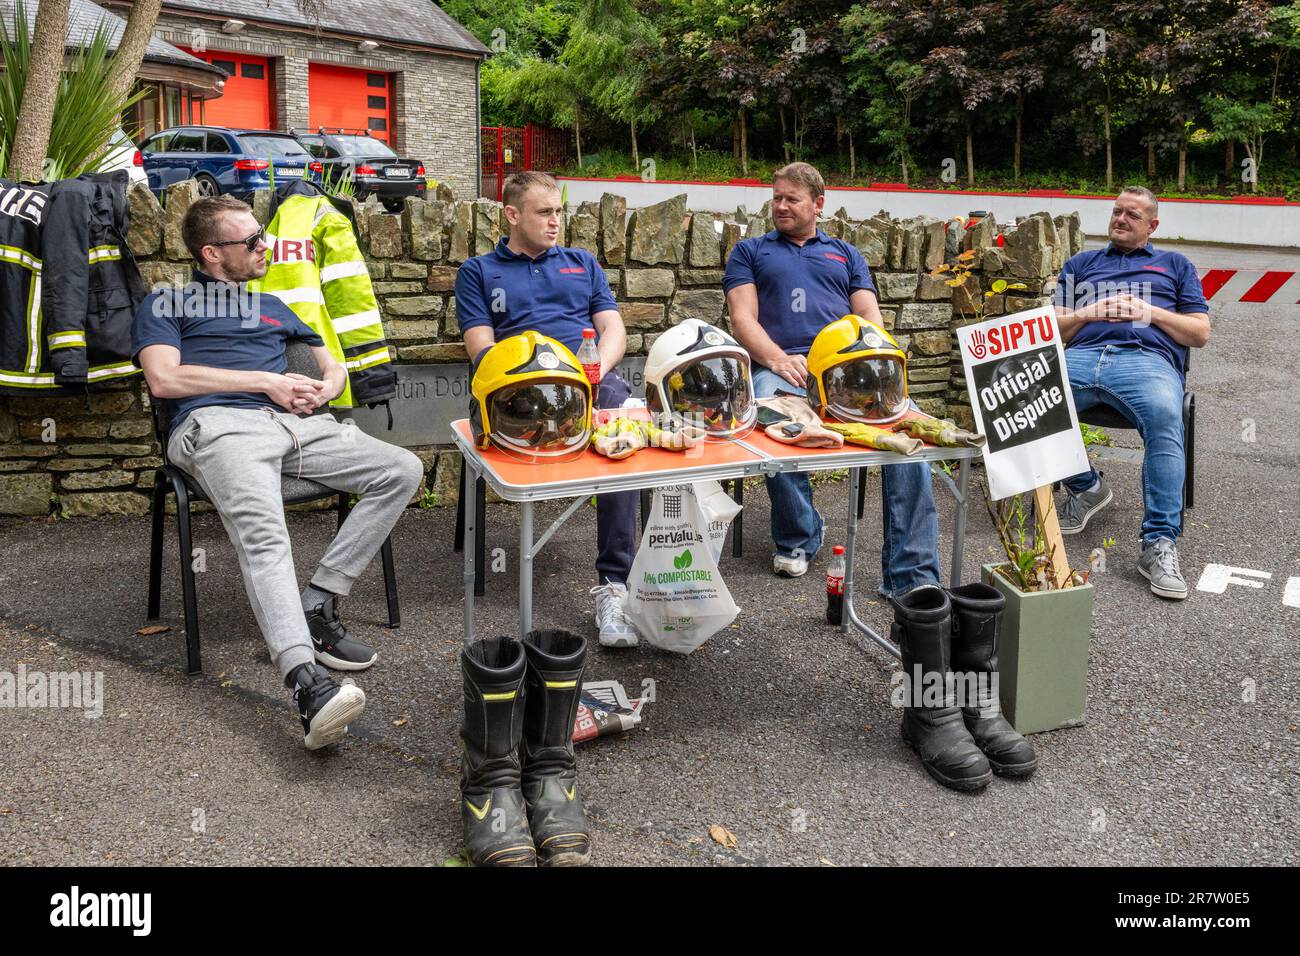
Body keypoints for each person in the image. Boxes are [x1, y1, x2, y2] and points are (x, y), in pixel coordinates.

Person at [131, 195, 423, 749]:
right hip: (218, 428)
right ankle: (306, 686)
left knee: (401, 469)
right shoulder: (169, 302)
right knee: (266, 534)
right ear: (212, 253)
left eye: (261, 236)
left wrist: (328, 386)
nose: (266, 248)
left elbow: (328, 362)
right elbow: (164, 381)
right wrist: (264, 383)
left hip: (296, 425)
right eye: (252, 242)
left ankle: (318, 600)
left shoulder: (272, 304)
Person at [723, 162, 941, 594]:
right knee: (775, 432)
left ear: (818, 204)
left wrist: (872, 364)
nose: (780, 206)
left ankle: (911, 578)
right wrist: (778, 358)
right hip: (780, 368)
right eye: (777, 197)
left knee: (910, 438)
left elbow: (868, 317)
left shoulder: (846, 253)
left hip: (848, 372)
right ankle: (800, 536)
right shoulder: (750, 252)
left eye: (792, 199)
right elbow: (742, 318)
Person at [456, 171, 639, 646]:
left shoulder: (582, 262)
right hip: (519, 390)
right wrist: (535, 379)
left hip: (590, 381)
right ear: (512, 214)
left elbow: (613, 329)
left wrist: (595, 369)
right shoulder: (478, 271)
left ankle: (616, 586)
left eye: (558, 210)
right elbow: (481, 349)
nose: (556, 220)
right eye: (544, 212)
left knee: (625, 437)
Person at [1052, 185, 1209, 600]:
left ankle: (1158, 543)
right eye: (1117, 211)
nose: (1120, 219)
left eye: (1132, 215)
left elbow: (1200, 333)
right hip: (1083, 356)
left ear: (1152, 225)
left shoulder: (1174, 264)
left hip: (1146, 361)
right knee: (1029, 397)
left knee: (1163, 413)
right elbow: (1052, 328)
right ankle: (1086, 488)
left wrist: (1151, 313)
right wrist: (1088, 312)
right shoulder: (1082, 263)